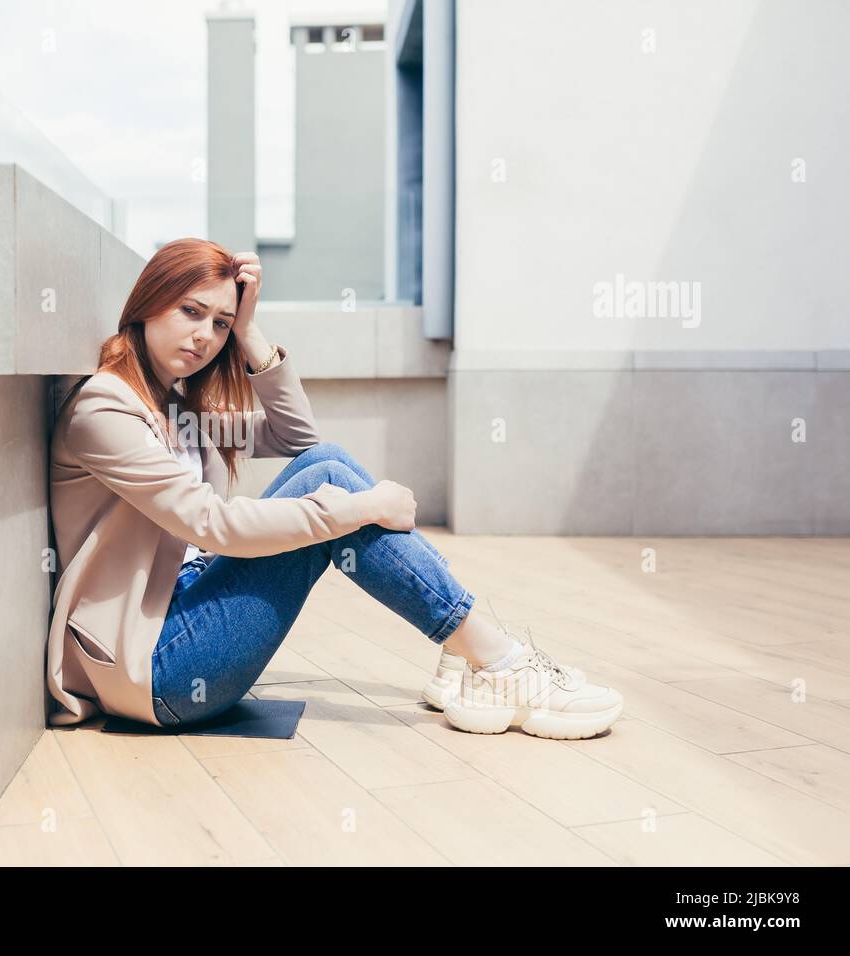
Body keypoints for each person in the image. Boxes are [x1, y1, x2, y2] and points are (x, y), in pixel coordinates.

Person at [46, 237, 622, 740]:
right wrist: (361, 508)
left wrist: (250, 333)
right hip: (157, 666)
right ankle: (494, 660)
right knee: (332, 485)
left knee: (326, 463)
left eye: (219, 323)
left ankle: (474, 653)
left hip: (190, 605)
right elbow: (212, 526)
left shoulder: (175, 404)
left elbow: (299, 437)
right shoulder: (107, 407)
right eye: (190, 311)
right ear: (147, 305)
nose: (204, 337)